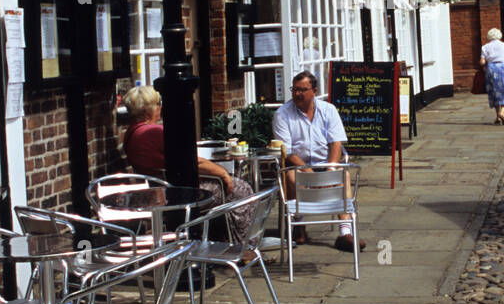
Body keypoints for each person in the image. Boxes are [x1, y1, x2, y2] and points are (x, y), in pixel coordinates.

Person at [121, 85, 258, 250]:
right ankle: (243, 249)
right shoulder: (154, 133)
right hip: (177, 194)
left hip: (158, 191)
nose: (160, 108)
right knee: (241, 190)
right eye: (158, 104)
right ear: (149, 109)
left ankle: (223, 243)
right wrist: (223, 174)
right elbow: (192, 162)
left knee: (231, 190)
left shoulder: (131, 134)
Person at [272, 70, 363, 252]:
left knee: (342, 175)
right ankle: (298, 225)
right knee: (290, 177)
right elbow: (288, 151)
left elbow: (336, 142)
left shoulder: (328, 110)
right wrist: (310, 174)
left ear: (314, 91)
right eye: (294, 89)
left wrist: (330, 170)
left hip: (325, 163)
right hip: (299, 166)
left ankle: (345, 233)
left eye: (302, 90)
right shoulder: (282, 115)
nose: (297, 94)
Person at [479, 27, 504, 125]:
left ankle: (498, 117)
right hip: (503, 68)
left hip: (491, 69)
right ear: (499, 36)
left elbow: (482, 62)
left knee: (494, 91)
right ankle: (502, 112)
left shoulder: (485, 47)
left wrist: (484, 65)